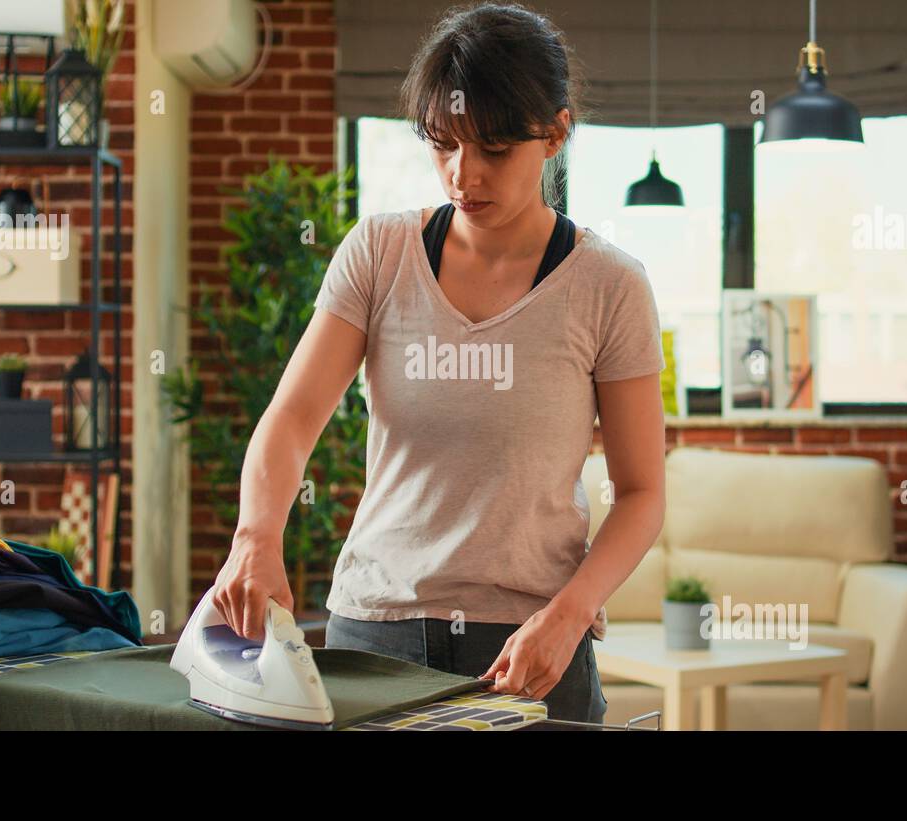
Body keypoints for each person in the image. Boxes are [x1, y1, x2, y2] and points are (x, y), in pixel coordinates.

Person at [212, 1, 666, 725]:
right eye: (443, 144)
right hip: (377, 635)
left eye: (492, 149)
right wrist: (254, 539)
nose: (463, 175)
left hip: (532, 646)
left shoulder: (610, 285)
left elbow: (641, 491)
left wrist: (572, 613)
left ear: (555, 134)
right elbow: (293, 418)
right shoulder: (378, 254)